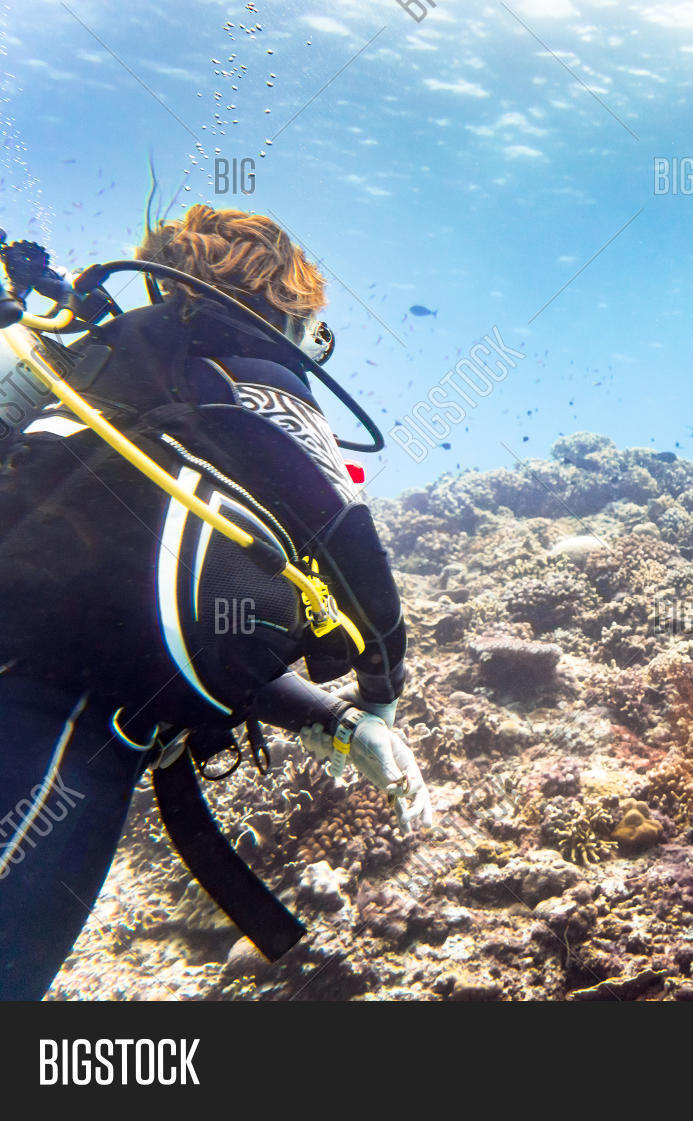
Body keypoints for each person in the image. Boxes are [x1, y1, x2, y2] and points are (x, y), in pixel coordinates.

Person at [0, 204, 430, 1000]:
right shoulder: (263, 389)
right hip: (59, 732)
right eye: (317, 330)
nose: (316, 351)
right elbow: (355, 556)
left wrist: (325, 720)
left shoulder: (104, 376)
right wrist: (379, 701)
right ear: (287, 309)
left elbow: (151, 611)